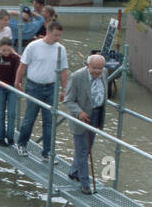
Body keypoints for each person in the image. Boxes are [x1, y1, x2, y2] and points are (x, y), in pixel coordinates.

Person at [15, 21, 69, 159]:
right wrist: (17, 82)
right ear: (47, 32)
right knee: (29, 118)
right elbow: (23, 65)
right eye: (55, 35)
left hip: (51, 88)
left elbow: (63, 71)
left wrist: (64, 90)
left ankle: (48, 152)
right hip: (34, 87)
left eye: (59, 36)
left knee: (49, 121)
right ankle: (21, 144)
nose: (57, 38)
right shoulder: (33, 46)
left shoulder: (61, 49)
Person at [64, 53, 107, 194]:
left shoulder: (104, 73)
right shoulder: (77, 77)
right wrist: (79, 112)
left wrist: (100, 119)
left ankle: (73, 171)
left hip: (96, 114)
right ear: (87, 66)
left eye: (100, 68)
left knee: (87, 149)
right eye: (94, 68)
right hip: (81, 117)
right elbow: (68, 100)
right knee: (82, 150)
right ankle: (85, 183)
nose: (97, 72)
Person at [0, 37, 22, 146]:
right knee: (0, 113)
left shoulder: (15, 58)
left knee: (12, 113)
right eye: (3, 50)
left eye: (8, 50)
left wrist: (19, 83)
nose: (6, 53)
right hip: (0, 87)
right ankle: (0, 137)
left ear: (11, 48)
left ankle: (10, 137)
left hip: (12, 88)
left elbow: (18, 73)